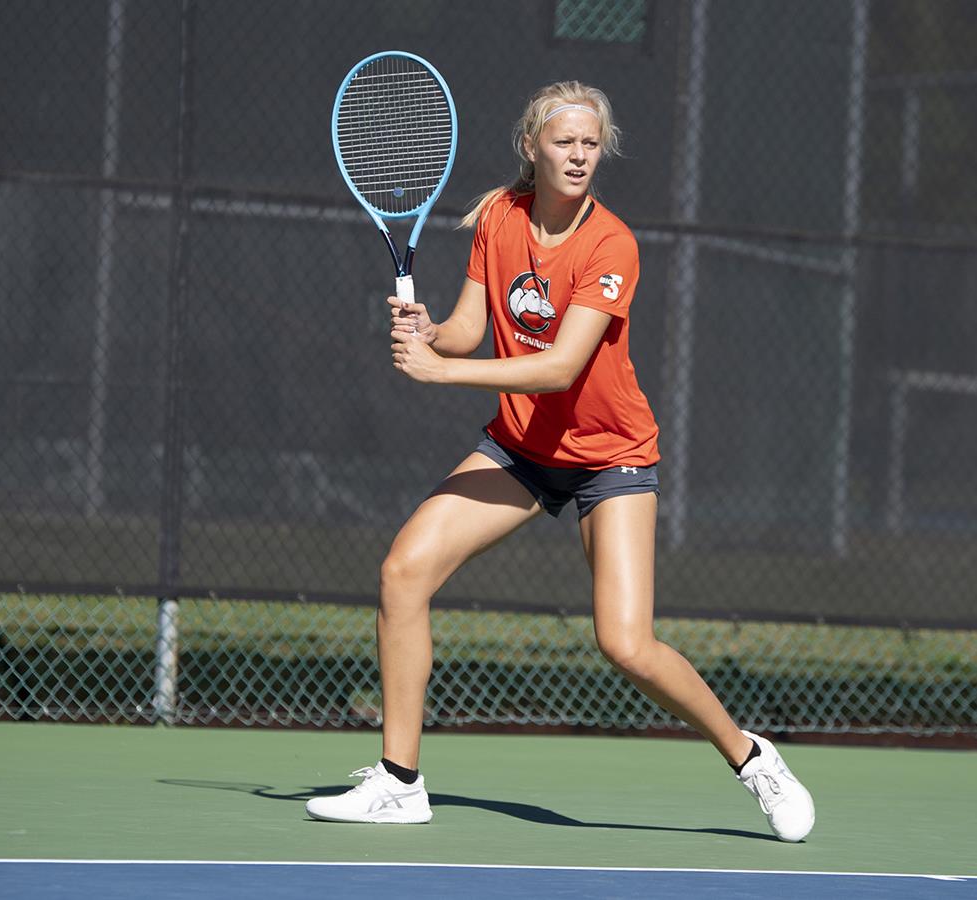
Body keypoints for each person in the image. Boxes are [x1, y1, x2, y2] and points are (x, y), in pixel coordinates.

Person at [305, 82, 815, 843]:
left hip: (610, 457)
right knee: (403, 572)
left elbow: (560, 368)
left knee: (625, 643)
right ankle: (399, 783)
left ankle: (751, 758)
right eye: (564, 142)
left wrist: (440, 374)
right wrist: (430, 331)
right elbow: (470, 331)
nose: (578, 156)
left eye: (589, 144)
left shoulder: (612, 245)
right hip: (520, 449)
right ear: (532, 147)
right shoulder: (499, 220)